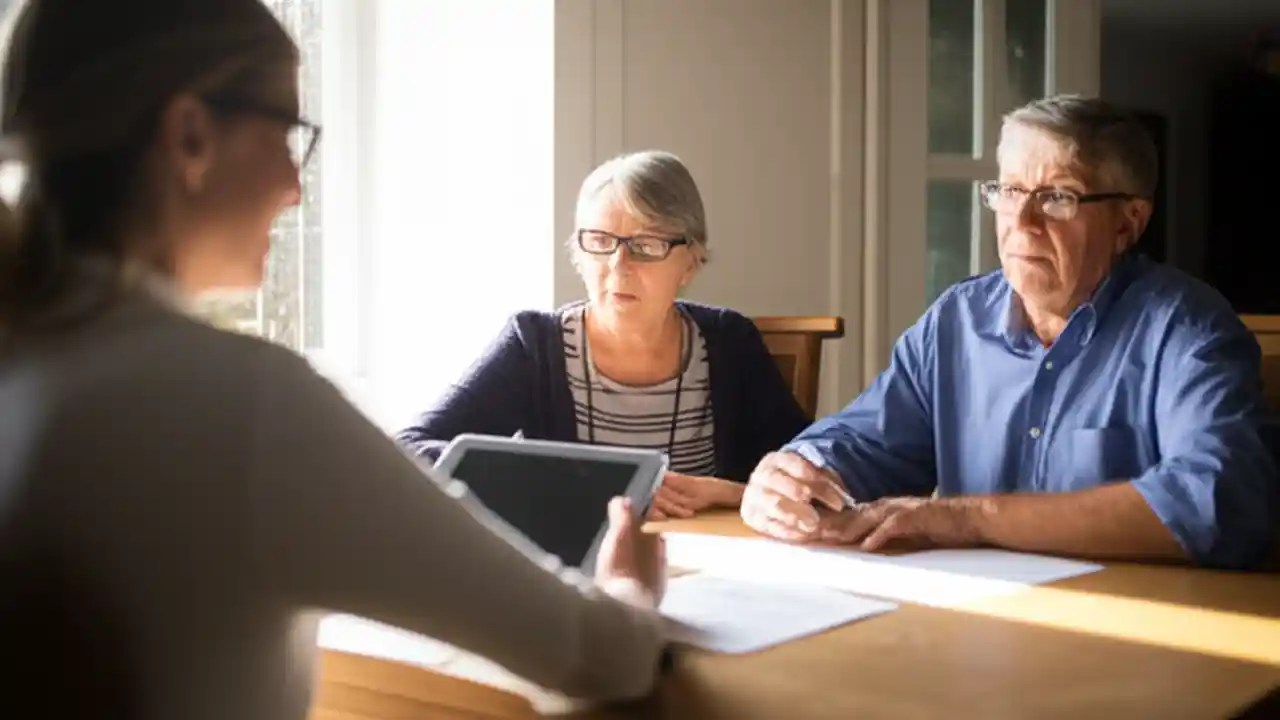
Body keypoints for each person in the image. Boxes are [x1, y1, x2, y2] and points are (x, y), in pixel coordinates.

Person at [0, 2, 668, 719]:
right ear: (190, 136)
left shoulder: (29, 362)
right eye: (288, 134)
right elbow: (601, 655)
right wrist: (629, 583)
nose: (294, 185)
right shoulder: (243, 403)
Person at [741, 95, 1278, 569]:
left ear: (1128, 223)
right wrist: (795, 471)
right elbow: (863, 442)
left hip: (1138, 637)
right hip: (977, 635)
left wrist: (970, 518)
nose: (1020, 222)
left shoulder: (1188, 328)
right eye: (1008, 190)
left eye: (1057, 197)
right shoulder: (956, 321)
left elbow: (1219, 498)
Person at [396, 150, 810, 519]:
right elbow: (411, 449)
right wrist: (594, 487)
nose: (618, 265)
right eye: (599, 241)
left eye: (646, 244)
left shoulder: (729, 342)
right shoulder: (533, 346)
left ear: (691, 263)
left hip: (718, 573)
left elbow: (813, 475)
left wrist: (734, 494)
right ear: (578, 255)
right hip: (579, 580)